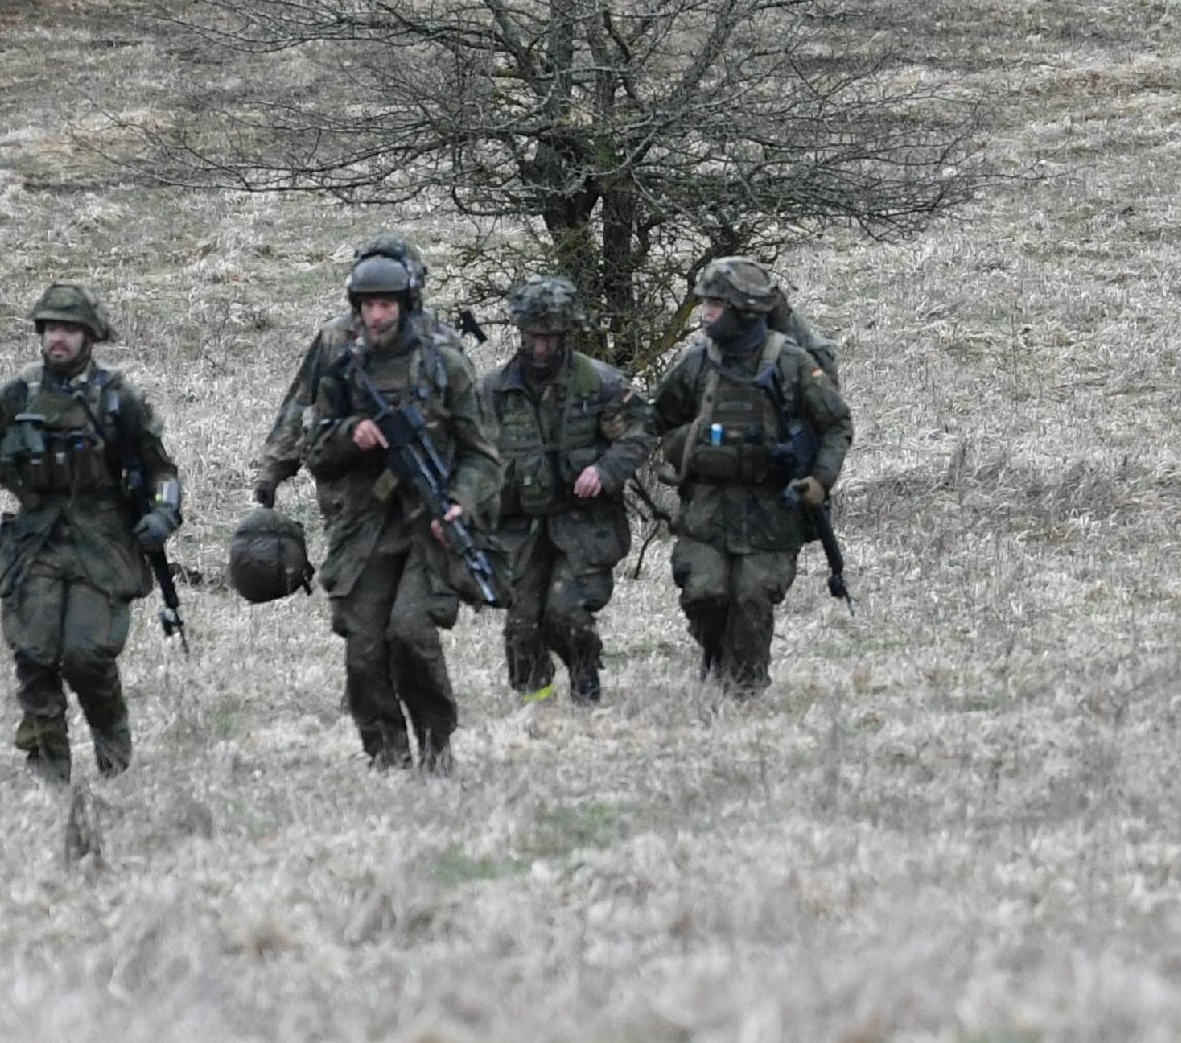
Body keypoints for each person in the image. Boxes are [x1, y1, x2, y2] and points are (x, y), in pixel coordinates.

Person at [0, 284, 181, 780]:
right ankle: (48, 772)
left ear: (89, 336)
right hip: (34, 541)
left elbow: (163, 473)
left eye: (69, 329)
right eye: (50, 328)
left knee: (86, 654)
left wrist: (160, 516)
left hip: (103, 541)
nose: (58, 339)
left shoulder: (118, 398)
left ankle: (114, 750)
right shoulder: (18, 394)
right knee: (34, 656)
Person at [280, 251, 501, 770]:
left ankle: (437, 742)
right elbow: (312, 447)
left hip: (430, 527)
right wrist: (349, 436)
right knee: (362, 646)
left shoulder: (444, 363)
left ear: (405, 305)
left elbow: (484, 455)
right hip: (365, 526)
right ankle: (386, 754)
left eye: (386, 305)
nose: (377, 316)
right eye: (368, 306)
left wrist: (459, 503)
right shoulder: (342, 367)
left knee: (410, 633)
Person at [640, 255, 855, 690]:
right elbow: (653, 419)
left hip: (771, 512)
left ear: (741, 309)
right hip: (706, 509)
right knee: (704, 595)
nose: (706, 313)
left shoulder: (792, 362)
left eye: (715, 304)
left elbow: (836, 424)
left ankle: (745, 694)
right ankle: (714, 654)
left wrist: (820, 480)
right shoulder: (696, 362)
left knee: (752, 599)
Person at [474, 276, 647, 703]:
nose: (541, 348)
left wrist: (605, 470)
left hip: (583, 525)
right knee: (522, 626)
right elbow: (467, 450)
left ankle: (585, 680)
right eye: (533, 337)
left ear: (566, 335)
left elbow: (640, 433)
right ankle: (536, 703)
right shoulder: (493, 390)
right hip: (520, 527)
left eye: (550, 338)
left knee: (565, 614)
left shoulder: (600, 383)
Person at [257, 236, 436, 504]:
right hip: (349, 493)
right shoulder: (337, 338)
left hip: (420, 489)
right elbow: (301, 402)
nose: (377, 314)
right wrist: (271, 473)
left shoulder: (435, 339)